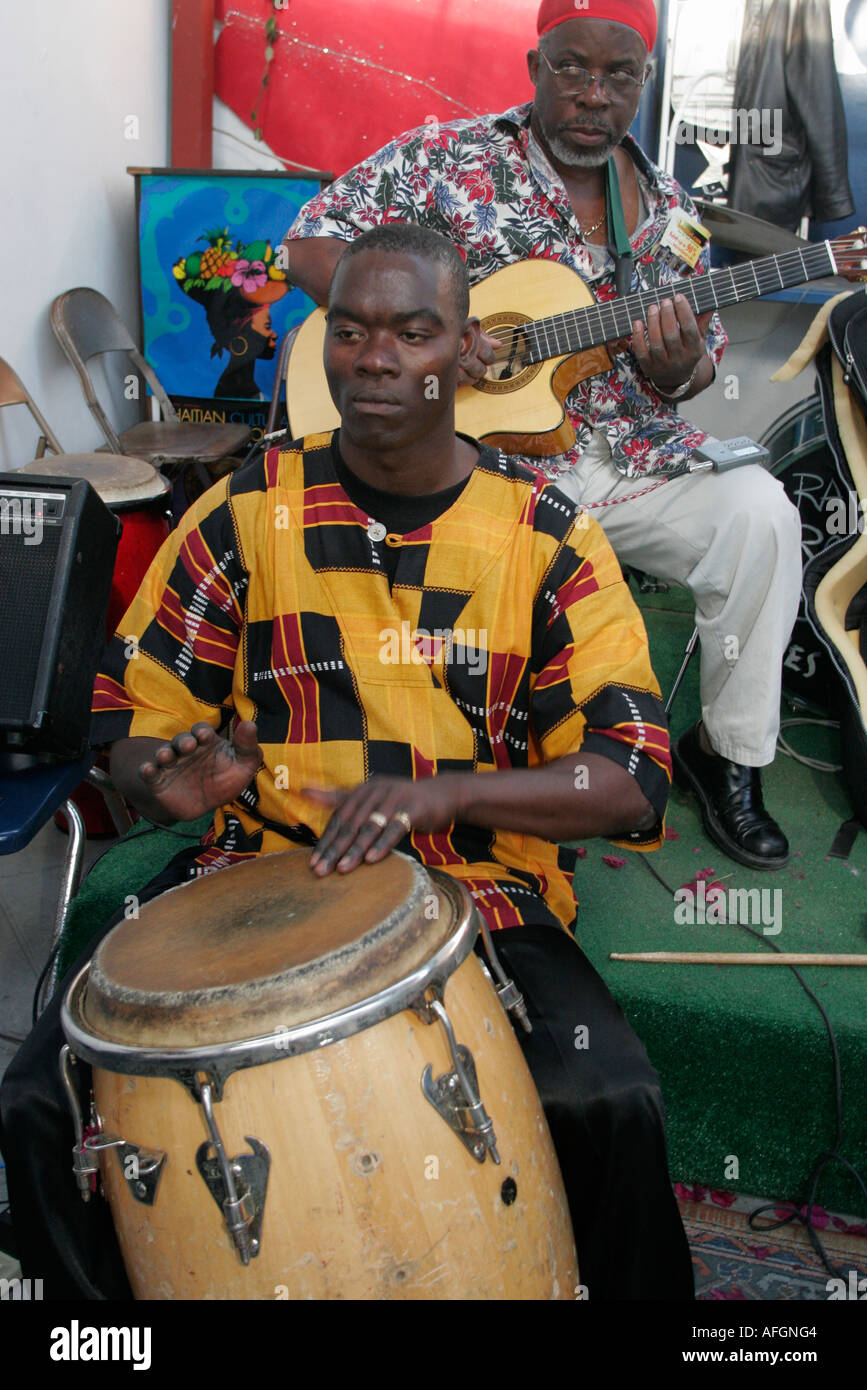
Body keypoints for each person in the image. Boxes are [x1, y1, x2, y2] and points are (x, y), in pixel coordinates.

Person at [0, 224, 692, 1301]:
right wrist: (153, 779)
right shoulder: (244, 513)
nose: (378, 358)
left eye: (415, 333)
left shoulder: (547, 537)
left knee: (610, 1097)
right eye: (354, 330)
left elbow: (630, 768)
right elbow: (135, 722)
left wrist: (444, 794)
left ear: (466, 352)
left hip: (478, 893)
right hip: (256, 875)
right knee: (38, 1100)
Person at [281, 0, 803, 873]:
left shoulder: (670, 207)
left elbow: (696, 369)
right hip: (479, 465)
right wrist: (435, 325)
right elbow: (309, 246)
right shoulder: (446, 159)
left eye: (617, 76)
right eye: (572, 68)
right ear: (534, 68)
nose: (592, 95)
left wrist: (675, 366)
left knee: (762, 516)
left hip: (631, 460)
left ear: (644, 84)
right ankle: (459, 770)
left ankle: (728, 753)